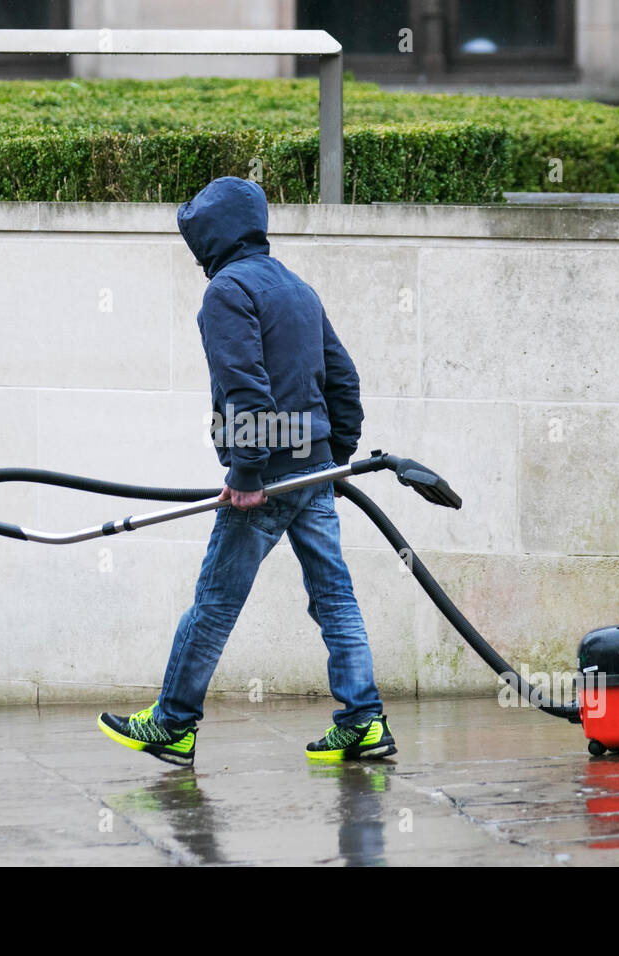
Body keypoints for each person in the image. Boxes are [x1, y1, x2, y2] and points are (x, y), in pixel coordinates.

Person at [97, 176, 395, 768]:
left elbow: (246, 391)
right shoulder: (298, 288)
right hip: (310, 471)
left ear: (213, 236)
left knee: (215, 600)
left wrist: (249, 474)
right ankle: (364, 721)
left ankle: (173, 723)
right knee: (334, 597)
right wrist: (331, 459)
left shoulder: (227, 292)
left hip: (268, 475)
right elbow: (345, 382)